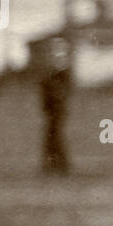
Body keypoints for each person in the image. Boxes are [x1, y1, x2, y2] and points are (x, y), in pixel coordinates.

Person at [40, 37, 72, 175]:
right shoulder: (55, 68)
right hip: (52, 107)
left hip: (57, 107)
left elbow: (60, 90)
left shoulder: (61, 69)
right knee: (52, 135)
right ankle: (54, 163)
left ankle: (60, 164)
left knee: (55, 135)